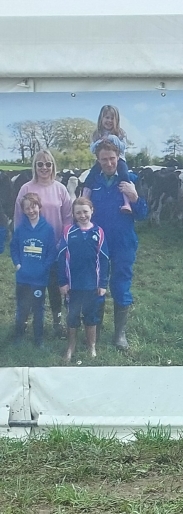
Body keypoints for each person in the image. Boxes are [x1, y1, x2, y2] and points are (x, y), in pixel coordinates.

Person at [80, 134, 146, 352]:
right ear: (98, 161)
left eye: (112, 159)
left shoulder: (131, 180)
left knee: (120, 285)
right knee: (96, 286)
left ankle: (119, 334)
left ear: (119, 157)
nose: (108, 163)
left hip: (123, 244)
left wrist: (135, 199)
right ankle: (95, 330)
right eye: (104, 160)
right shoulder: (92, 183)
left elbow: (143, 213)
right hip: (97, 244)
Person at [15, 150, 73, 326]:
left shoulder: (61, 189)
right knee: (29, 288)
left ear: (53, 166)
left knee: (55, 288)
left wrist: (62, 243)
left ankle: (57, 323)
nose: (44, 167)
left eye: (48, 164)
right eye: (40, 164)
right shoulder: (26, 188)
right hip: (32, 249)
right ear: (34, 166)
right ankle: (24, 322)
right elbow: (18, 219)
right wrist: (21, 246)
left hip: (55, 248)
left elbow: (68, 219)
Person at [60, 195, 109, 363]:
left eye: (85, 212)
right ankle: (71, 345)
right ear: (73, 214)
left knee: (91, 316)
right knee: (72, 316)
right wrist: (62, 282)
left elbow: (104, 259)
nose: (82, 215)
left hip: (92, 286)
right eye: (78, 212)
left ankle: (91, 345)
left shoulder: (99, 232)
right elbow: (61, 259)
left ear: (92, 211)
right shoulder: (68, 232)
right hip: (73, 285)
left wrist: (102, 283)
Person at [10, 190, 56, 346]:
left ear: (39, 207)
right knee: (22, 307)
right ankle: (18, 336)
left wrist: (44, 268)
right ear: (23, 210)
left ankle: (38, 339)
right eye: (27, 208)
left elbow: (51, 252)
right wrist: (17, 264)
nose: (31, 211)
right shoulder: (20, 229)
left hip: (40, 278)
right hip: (23, 277)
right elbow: (14, 248)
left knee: (38, 309)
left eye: (34, 206)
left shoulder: (48, 229)